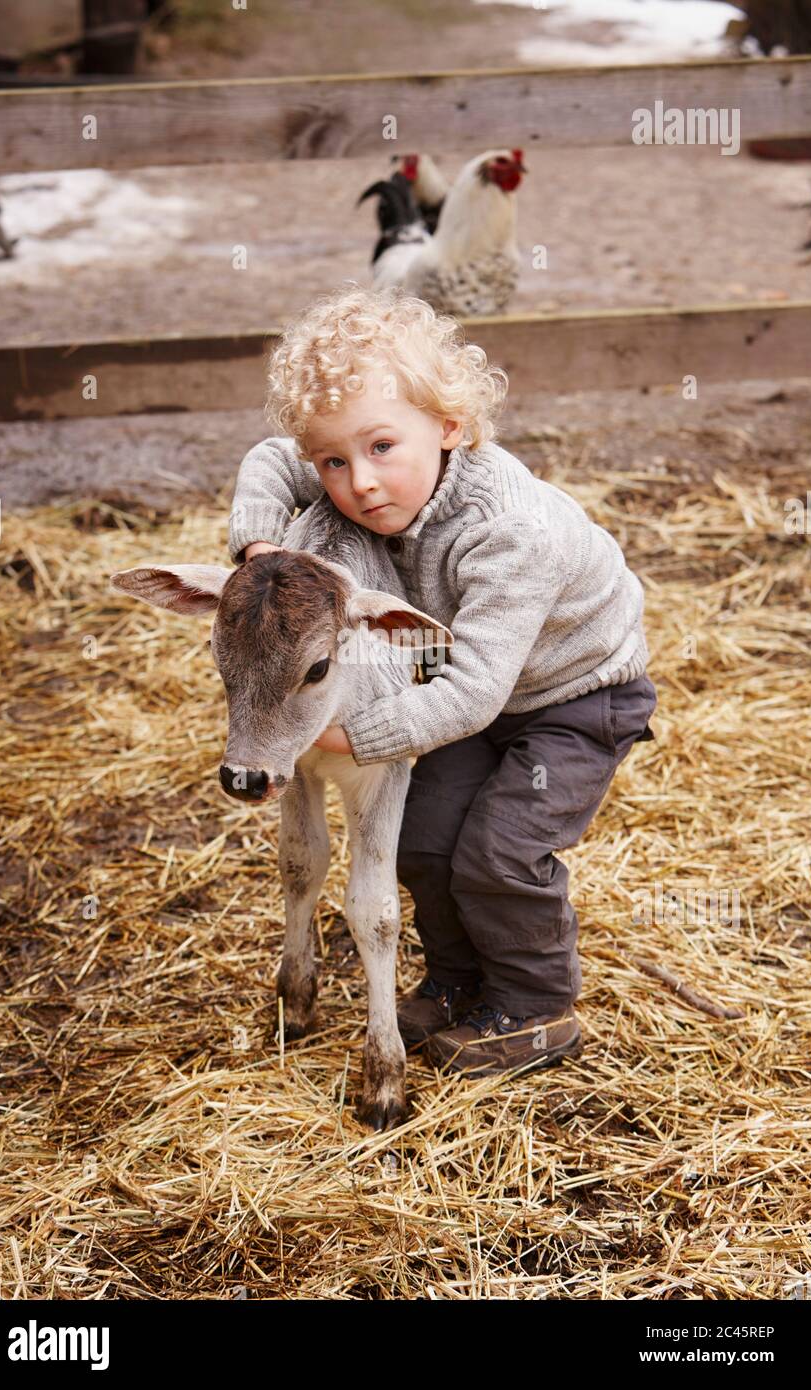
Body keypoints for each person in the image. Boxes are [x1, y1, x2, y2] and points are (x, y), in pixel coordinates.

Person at [228, 282, 657, 1077]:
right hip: (467, 689)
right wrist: (258, 550)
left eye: (381, 448)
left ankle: (535, 1008)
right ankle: (460, 983)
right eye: (334, 460)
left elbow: (476, 690)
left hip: (574, 697)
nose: (358, 483)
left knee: (499, 851)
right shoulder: (369, 478)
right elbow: (266, 461)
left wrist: (349, 735)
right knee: (423, 841)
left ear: (451, 427)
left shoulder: (509, 532)